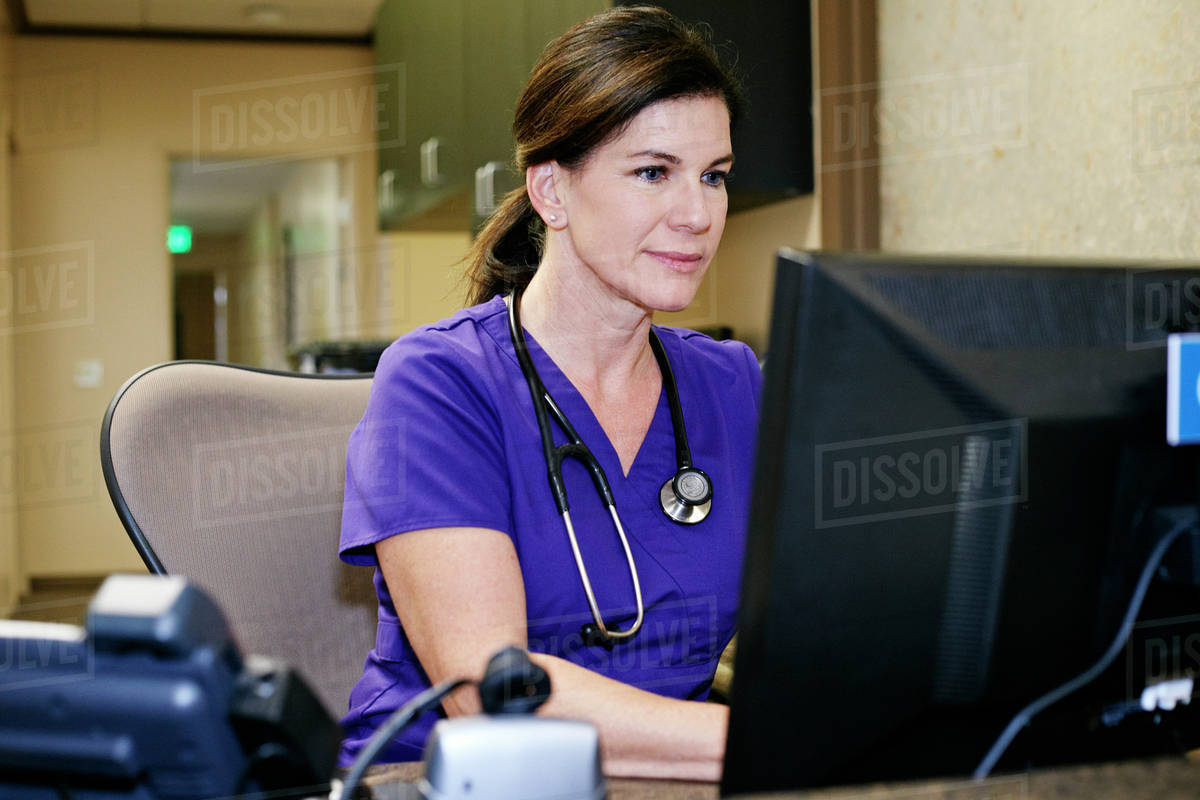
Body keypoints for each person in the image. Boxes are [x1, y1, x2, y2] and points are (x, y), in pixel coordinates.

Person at [337, 5, 761, 781]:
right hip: (445, 781)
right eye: (653, 172)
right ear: (551, 191)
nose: (699, 214)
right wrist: (773, 745)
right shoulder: (439, 384)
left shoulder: (735, 386)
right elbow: (490, 694)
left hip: (669, 781)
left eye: (714, 176)